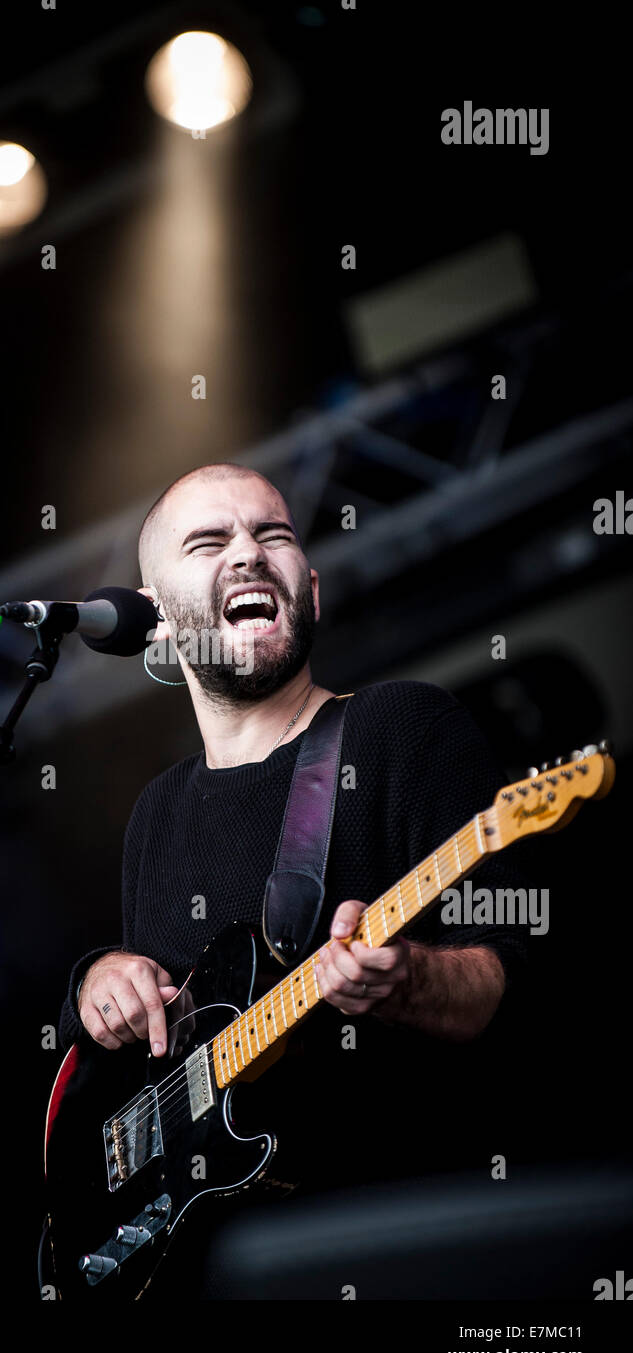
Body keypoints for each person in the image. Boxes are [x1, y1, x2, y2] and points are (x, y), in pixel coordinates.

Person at [57, 462, 534, 1289]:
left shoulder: (401, 729)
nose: (247, 554)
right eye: (209, 542)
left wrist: (410, 980)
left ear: (307, 591)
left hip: (392, 1241)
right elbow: (153, 1063)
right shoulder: (157, 814)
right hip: (221, 1265)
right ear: (160, 626)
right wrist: (97, 983)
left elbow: (515, 978)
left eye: (270, 533)